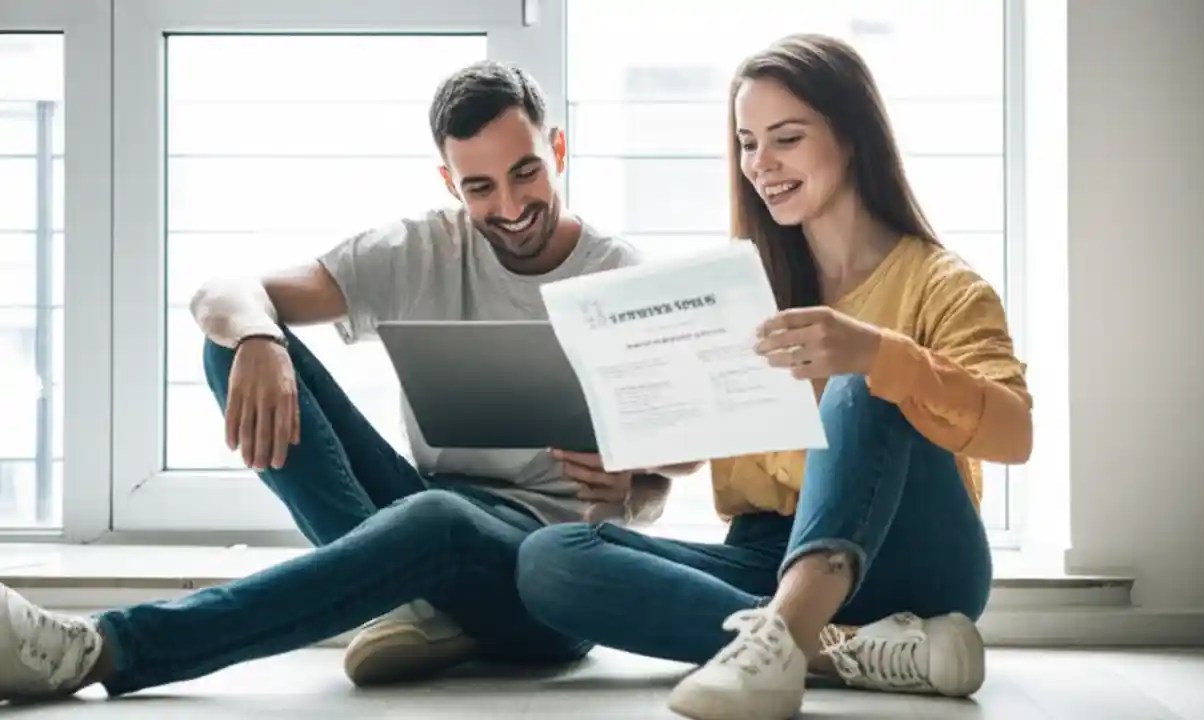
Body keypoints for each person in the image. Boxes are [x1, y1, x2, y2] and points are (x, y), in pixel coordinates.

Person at [0, 59, 696, 702]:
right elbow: (226, 289)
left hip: (539, 578)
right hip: (422, 512)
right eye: (480, 187)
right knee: (233, 348)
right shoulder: (421, 248)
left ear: (560, 152)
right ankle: (408, 605)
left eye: (527, 174)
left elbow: (677, 463)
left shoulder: (620, 272)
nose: (511, 207)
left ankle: (99, 647)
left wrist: (633, 487)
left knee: (437, 519)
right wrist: (260, 337)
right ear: (450, 183)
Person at [513, 33, 1033, 720]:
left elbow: (1015, 433)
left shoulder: (943, 284)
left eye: (786, 138)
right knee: (550, 558)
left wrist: (880, 353)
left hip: (911, 561)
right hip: (765, 555)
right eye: (747, 142)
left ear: (851, 136)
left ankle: (781, 642)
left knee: (861, 381)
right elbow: (711, 435)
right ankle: (848, 649)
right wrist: (634, 459)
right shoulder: (744, 283)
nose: (761, 164)